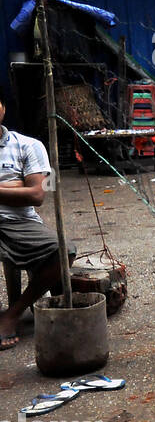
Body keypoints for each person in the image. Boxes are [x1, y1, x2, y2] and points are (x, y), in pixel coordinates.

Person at [0, 89, 72, 350]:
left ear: (3, 108)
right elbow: (25, 189)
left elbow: (36, 195)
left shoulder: (27, 146)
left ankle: (13, 313)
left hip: (19, 222)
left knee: (64, 251)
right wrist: (13, 186)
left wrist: (22, 188)